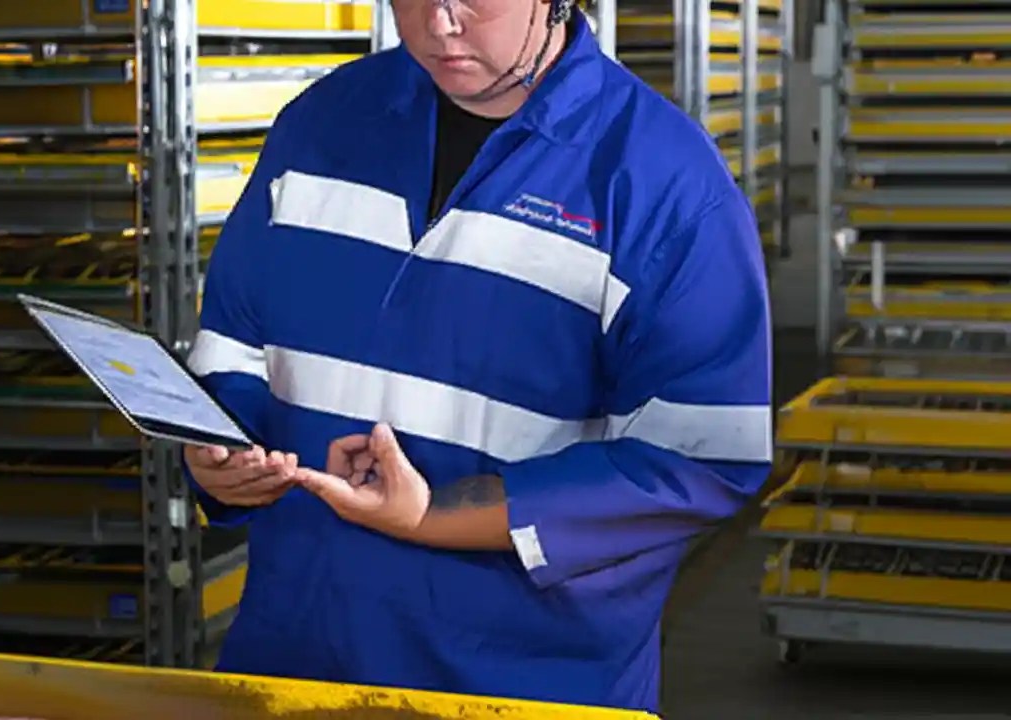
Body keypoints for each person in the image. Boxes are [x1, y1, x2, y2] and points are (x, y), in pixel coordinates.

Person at [182, 0, 773, 713]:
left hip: (520, 684)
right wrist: (225, 450)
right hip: (295, 661)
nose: (441, 21)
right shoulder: (320, 123)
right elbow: (232, 343)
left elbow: (700, 455)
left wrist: (435, 515)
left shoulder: (662, 184)